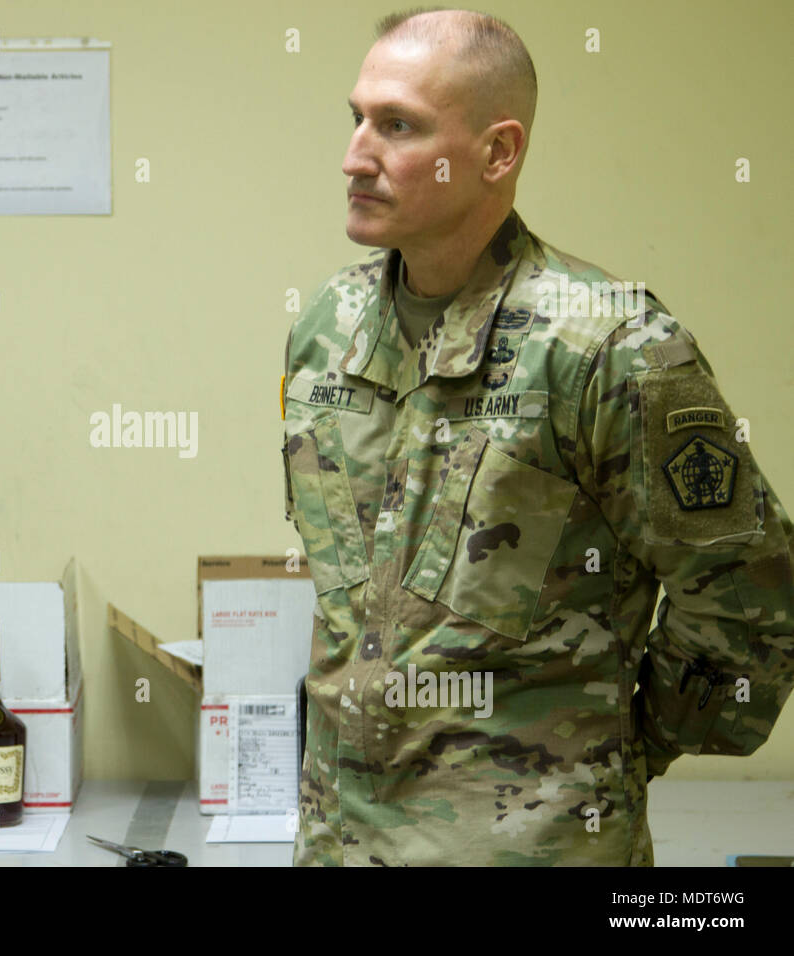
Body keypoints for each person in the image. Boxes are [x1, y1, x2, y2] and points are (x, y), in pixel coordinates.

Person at [281, 6, 794, 866]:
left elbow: (751, 598)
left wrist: (619, 746)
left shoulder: (608, 348)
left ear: (497, 152)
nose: (355, 156)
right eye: (356, 118)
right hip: (339, 840)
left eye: (397, 126)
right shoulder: (329, 327)